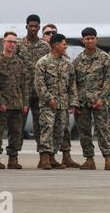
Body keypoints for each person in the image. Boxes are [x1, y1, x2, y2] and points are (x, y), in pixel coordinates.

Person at [73, 27, 110, 170]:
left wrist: (102, 98)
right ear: (83, 40)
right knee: (84, 131)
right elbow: (74, 83)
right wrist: (75, 101)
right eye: (87, 38)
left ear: (96, 39)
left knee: (103, 129)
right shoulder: (78, 60)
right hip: (83, 101)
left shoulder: (105, 58)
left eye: (92, 38)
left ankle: (109, 158)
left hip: (99, 100)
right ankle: (89, 159)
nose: (90, 41)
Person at [33, 32, 77, 170]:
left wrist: (73, 102)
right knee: (47, 129)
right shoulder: (43, 62)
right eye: (64, 44)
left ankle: (52, 157)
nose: (66, 47)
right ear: (55, 45)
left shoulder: (67, 64)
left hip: (63, 104)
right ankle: (44, 158)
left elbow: (72, 85)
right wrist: (48, 98)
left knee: (59, 131)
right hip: (48, 105)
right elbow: (39, 84)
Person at [0, 31, 29, 169]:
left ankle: (13, 158)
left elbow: (24, 85)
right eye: (9, 41)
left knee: (16, 132)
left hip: (17, 104)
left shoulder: (19, 63)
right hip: (3, 104)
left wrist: (25, 103)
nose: (12, 44)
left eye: (14, 42)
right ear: (3, 42)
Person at [17, 15, 50, 141]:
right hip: (22, 91)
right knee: (18, 125)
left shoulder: (45, 46)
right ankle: (13, 156)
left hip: (39, 91)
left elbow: (48, 67)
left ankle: (43, 154)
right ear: (26, 26)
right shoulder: (19, 45)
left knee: (40, 124)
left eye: (36, 26)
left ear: (39, 27)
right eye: (31, 26)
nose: (33, 28)